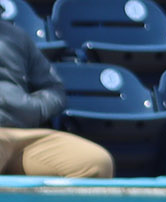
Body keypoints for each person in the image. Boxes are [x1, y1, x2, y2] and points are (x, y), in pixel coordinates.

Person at [0, 21, 111, 178]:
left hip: (22, 134)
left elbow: (54, 89)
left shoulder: (15, 35)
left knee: (95, 162)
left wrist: (33, 108)